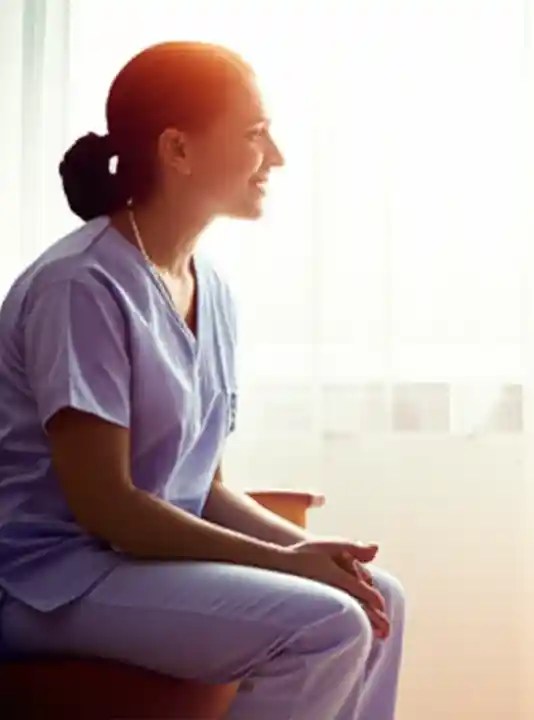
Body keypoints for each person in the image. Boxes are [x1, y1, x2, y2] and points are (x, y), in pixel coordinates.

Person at [0, 42, 405, 719]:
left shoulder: (208, 288)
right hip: (50, 582)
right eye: (254, 135)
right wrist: (285, 563)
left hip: (135, 567)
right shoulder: (81, 285)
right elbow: (111, 510)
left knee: (380, 596)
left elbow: (205, 488)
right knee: (327, 626)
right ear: (178, 150)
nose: (275, 156)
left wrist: (304, 551)